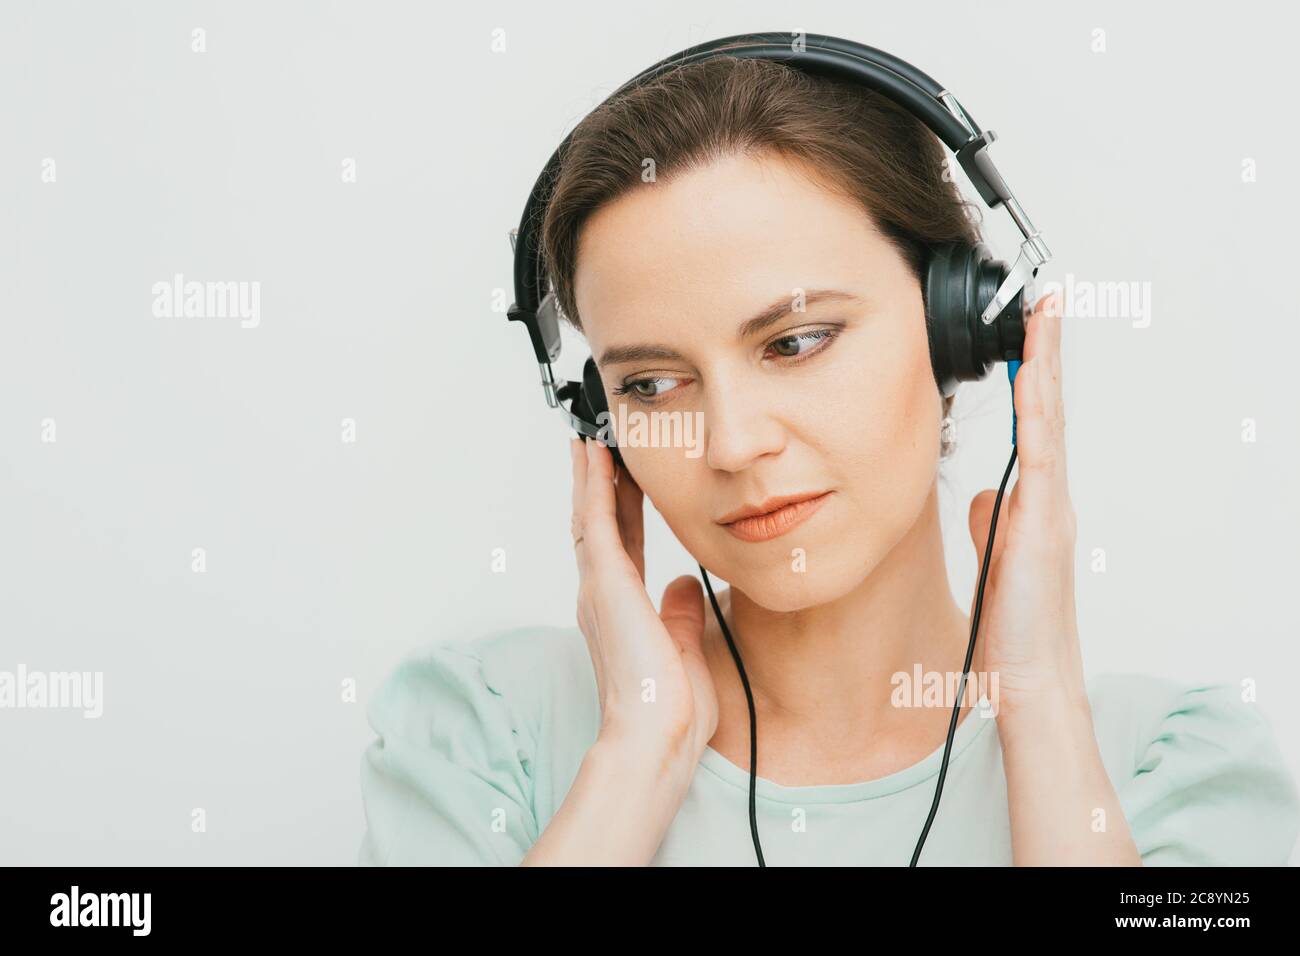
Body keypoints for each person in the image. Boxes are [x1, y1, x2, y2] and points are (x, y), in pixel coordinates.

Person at [357, 54, 1299, 866]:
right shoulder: (487, 734)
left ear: (962, 327)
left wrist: (1042, 709)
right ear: (600, 421)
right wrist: (638, 758)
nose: (732, 444)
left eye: (796, 342)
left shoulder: (1178, 770)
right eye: (650, 384)